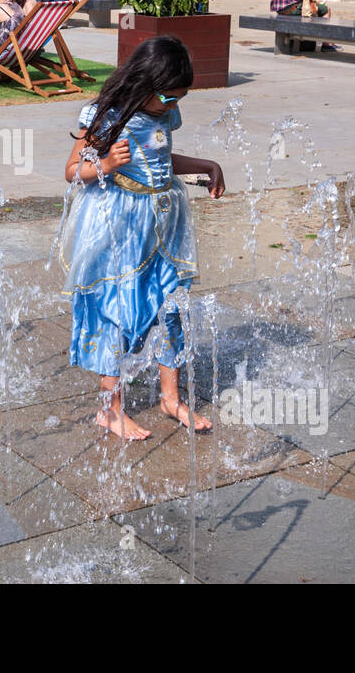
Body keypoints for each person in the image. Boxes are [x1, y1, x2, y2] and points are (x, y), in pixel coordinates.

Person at [61, 35, 226, 440]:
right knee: (115, 309)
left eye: (179, 98)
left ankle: (171, 398)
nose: (174, 106)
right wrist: (104, 163)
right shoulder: (105, 115)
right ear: (144, 83)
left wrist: (207, 165)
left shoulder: (164, 115)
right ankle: (109, 410)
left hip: (164, 221)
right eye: (168, 98)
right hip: (119, 225)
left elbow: (162, 158)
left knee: (171, 306)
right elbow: (70, 171)